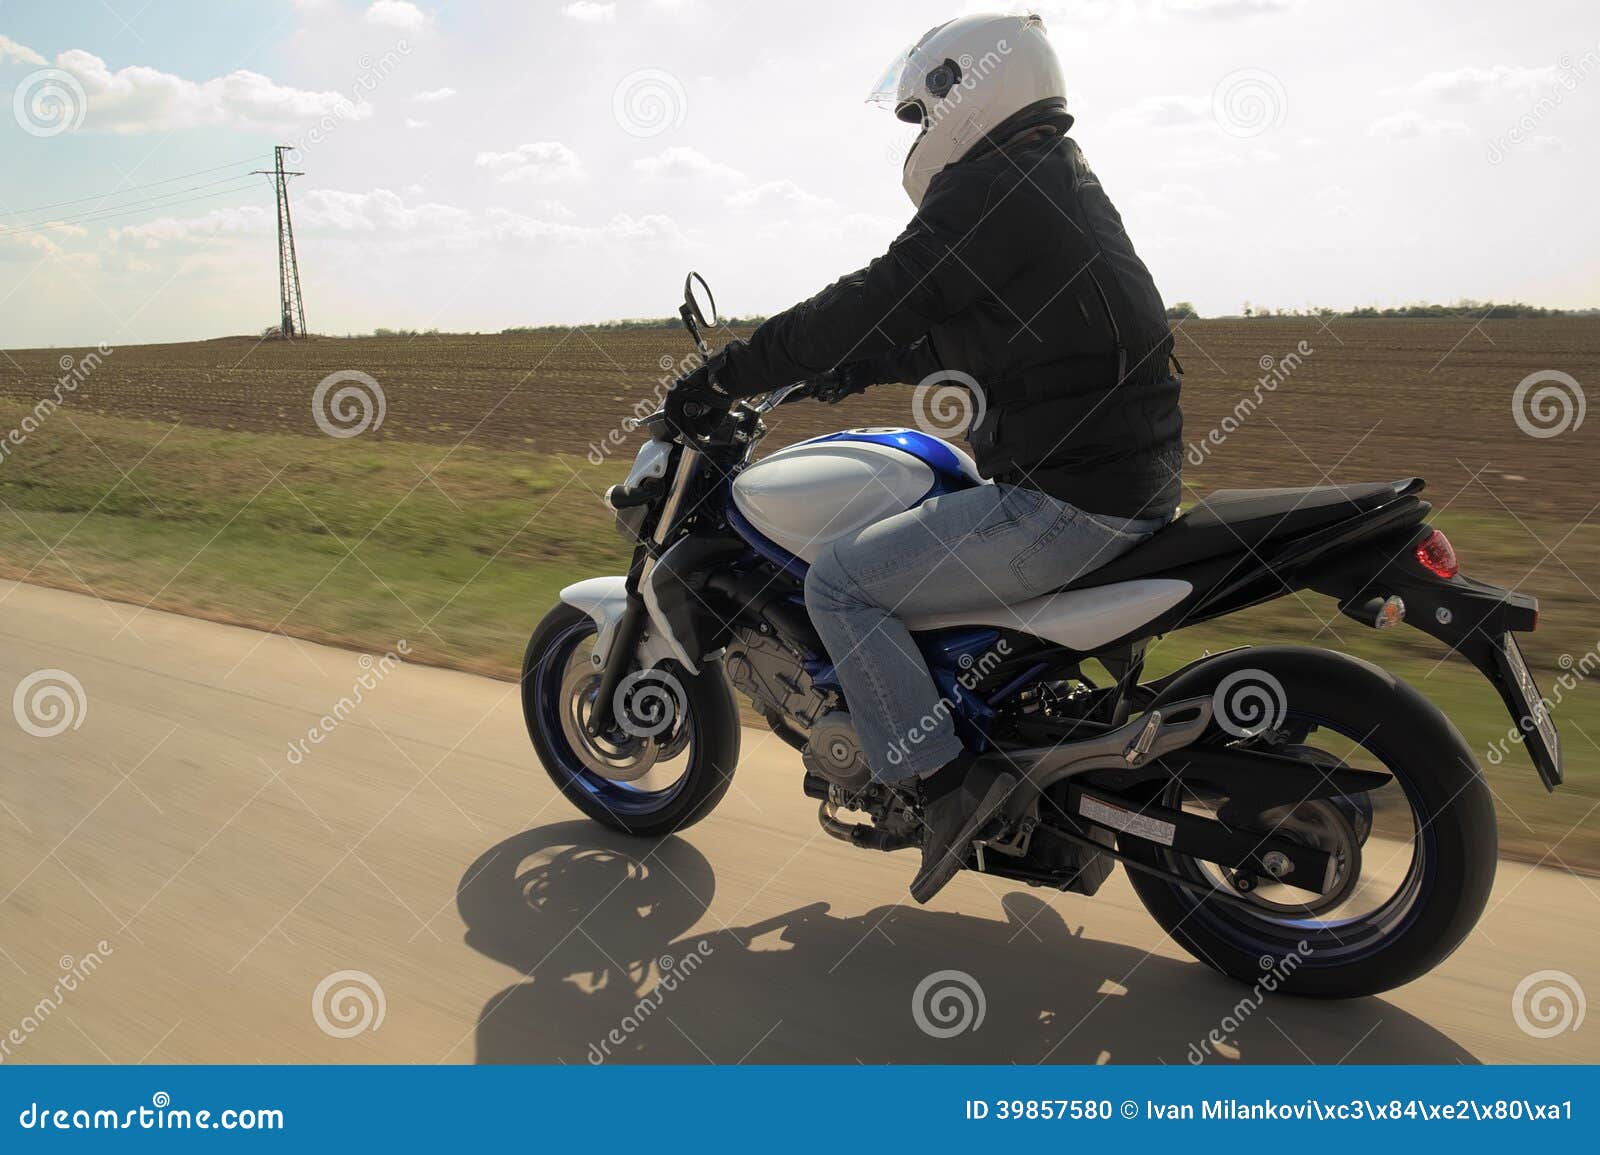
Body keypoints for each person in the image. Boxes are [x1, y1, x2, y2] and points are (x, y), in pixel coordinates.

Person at [666, 12, 1183, 903]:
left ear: (964, 88)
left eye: (917, 112)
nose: (915, 132)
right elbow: (946, 333)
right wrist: (838, 373)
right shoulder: (1048, 182)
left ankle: (947, 788)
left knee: (840, 585)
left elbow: (877, 297)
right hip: (1116, 478)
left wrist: (729, 374)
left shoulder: (995, 189)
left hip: (1070, 500)